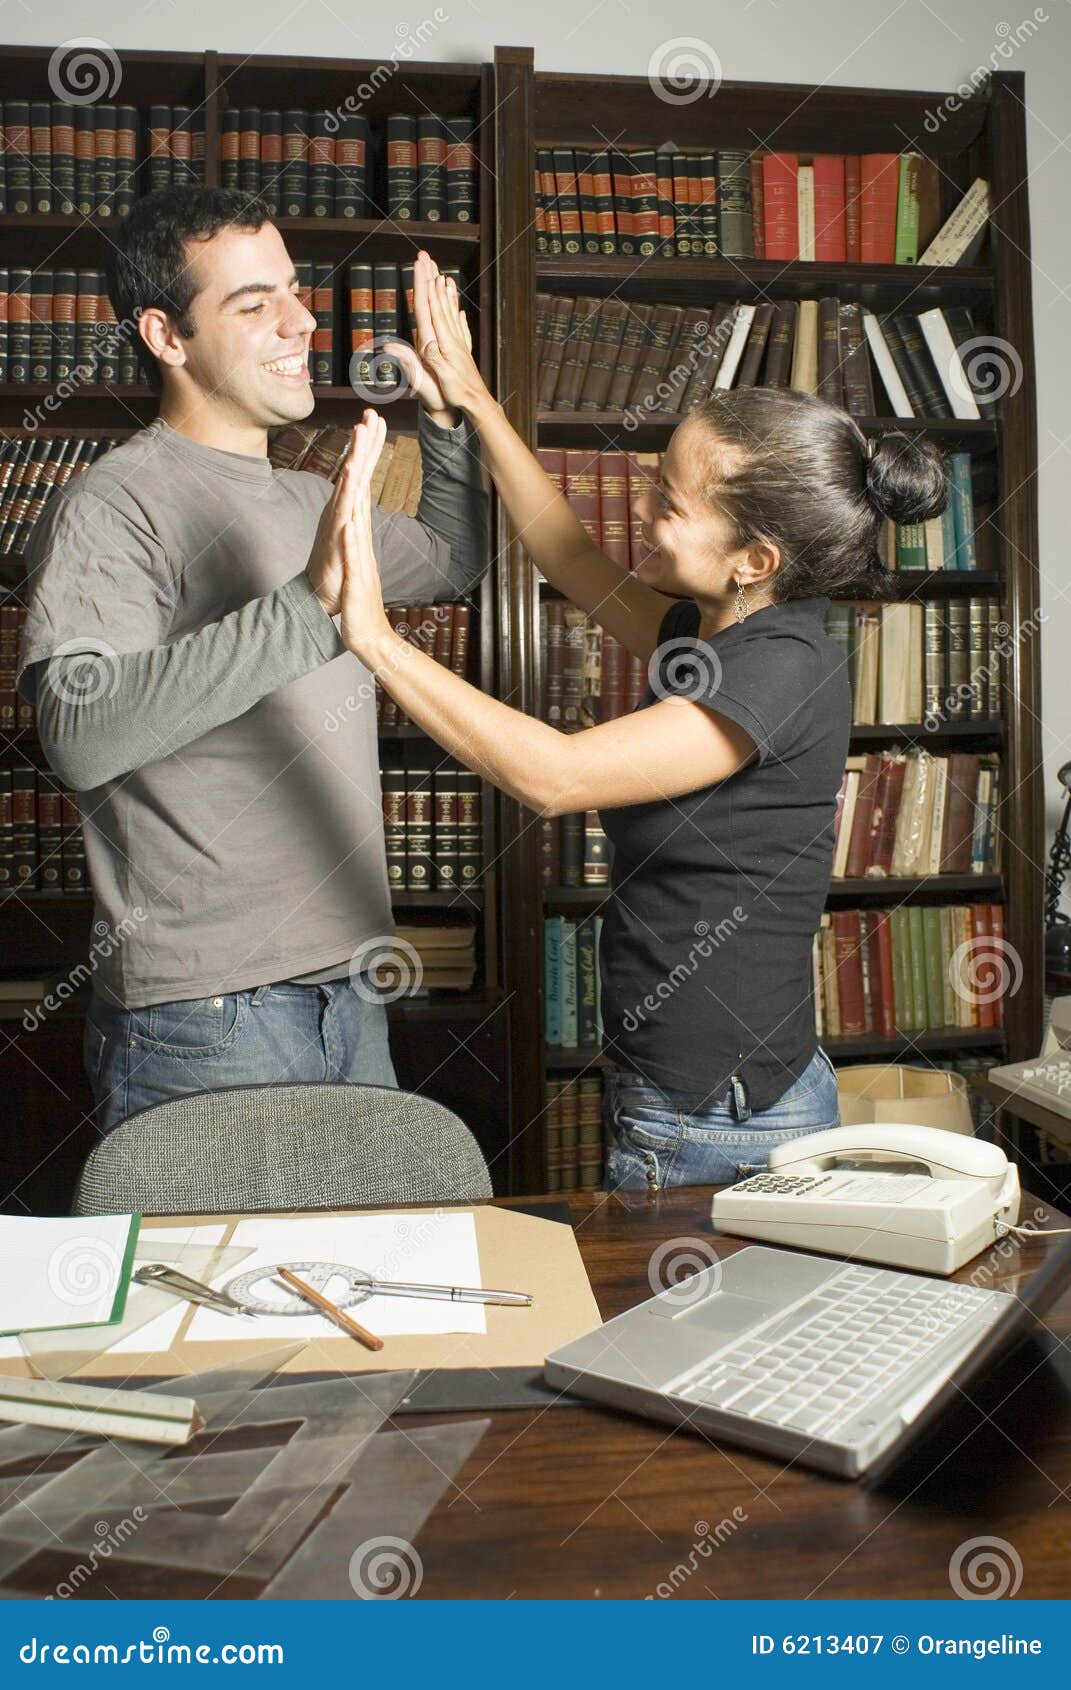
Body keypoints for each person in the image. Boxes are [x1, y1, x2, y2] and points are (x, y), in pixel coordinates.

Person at [331, 259, 950, 1189]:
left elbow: (555, 777)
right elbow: (570, 558)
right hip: (701, 1093)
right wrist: (473, 398)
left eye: (668, 503)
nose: (639, 508)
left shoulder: (781, 667)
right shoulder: (717, 631)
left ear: (754, 559)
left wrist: (374, 638)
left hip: (716, 1117)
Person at [16, 192, 488, 1133]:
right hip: (206, 1014)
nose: (300, 321)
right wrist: (312, 605)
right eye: (252, 303)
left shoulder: (305, 499)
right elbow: (79, 730)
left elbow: (452, 558)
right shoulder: (114, 505)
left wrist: (443, 420)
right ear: (167, 336)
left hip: (351, 987)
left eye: (295, 292)